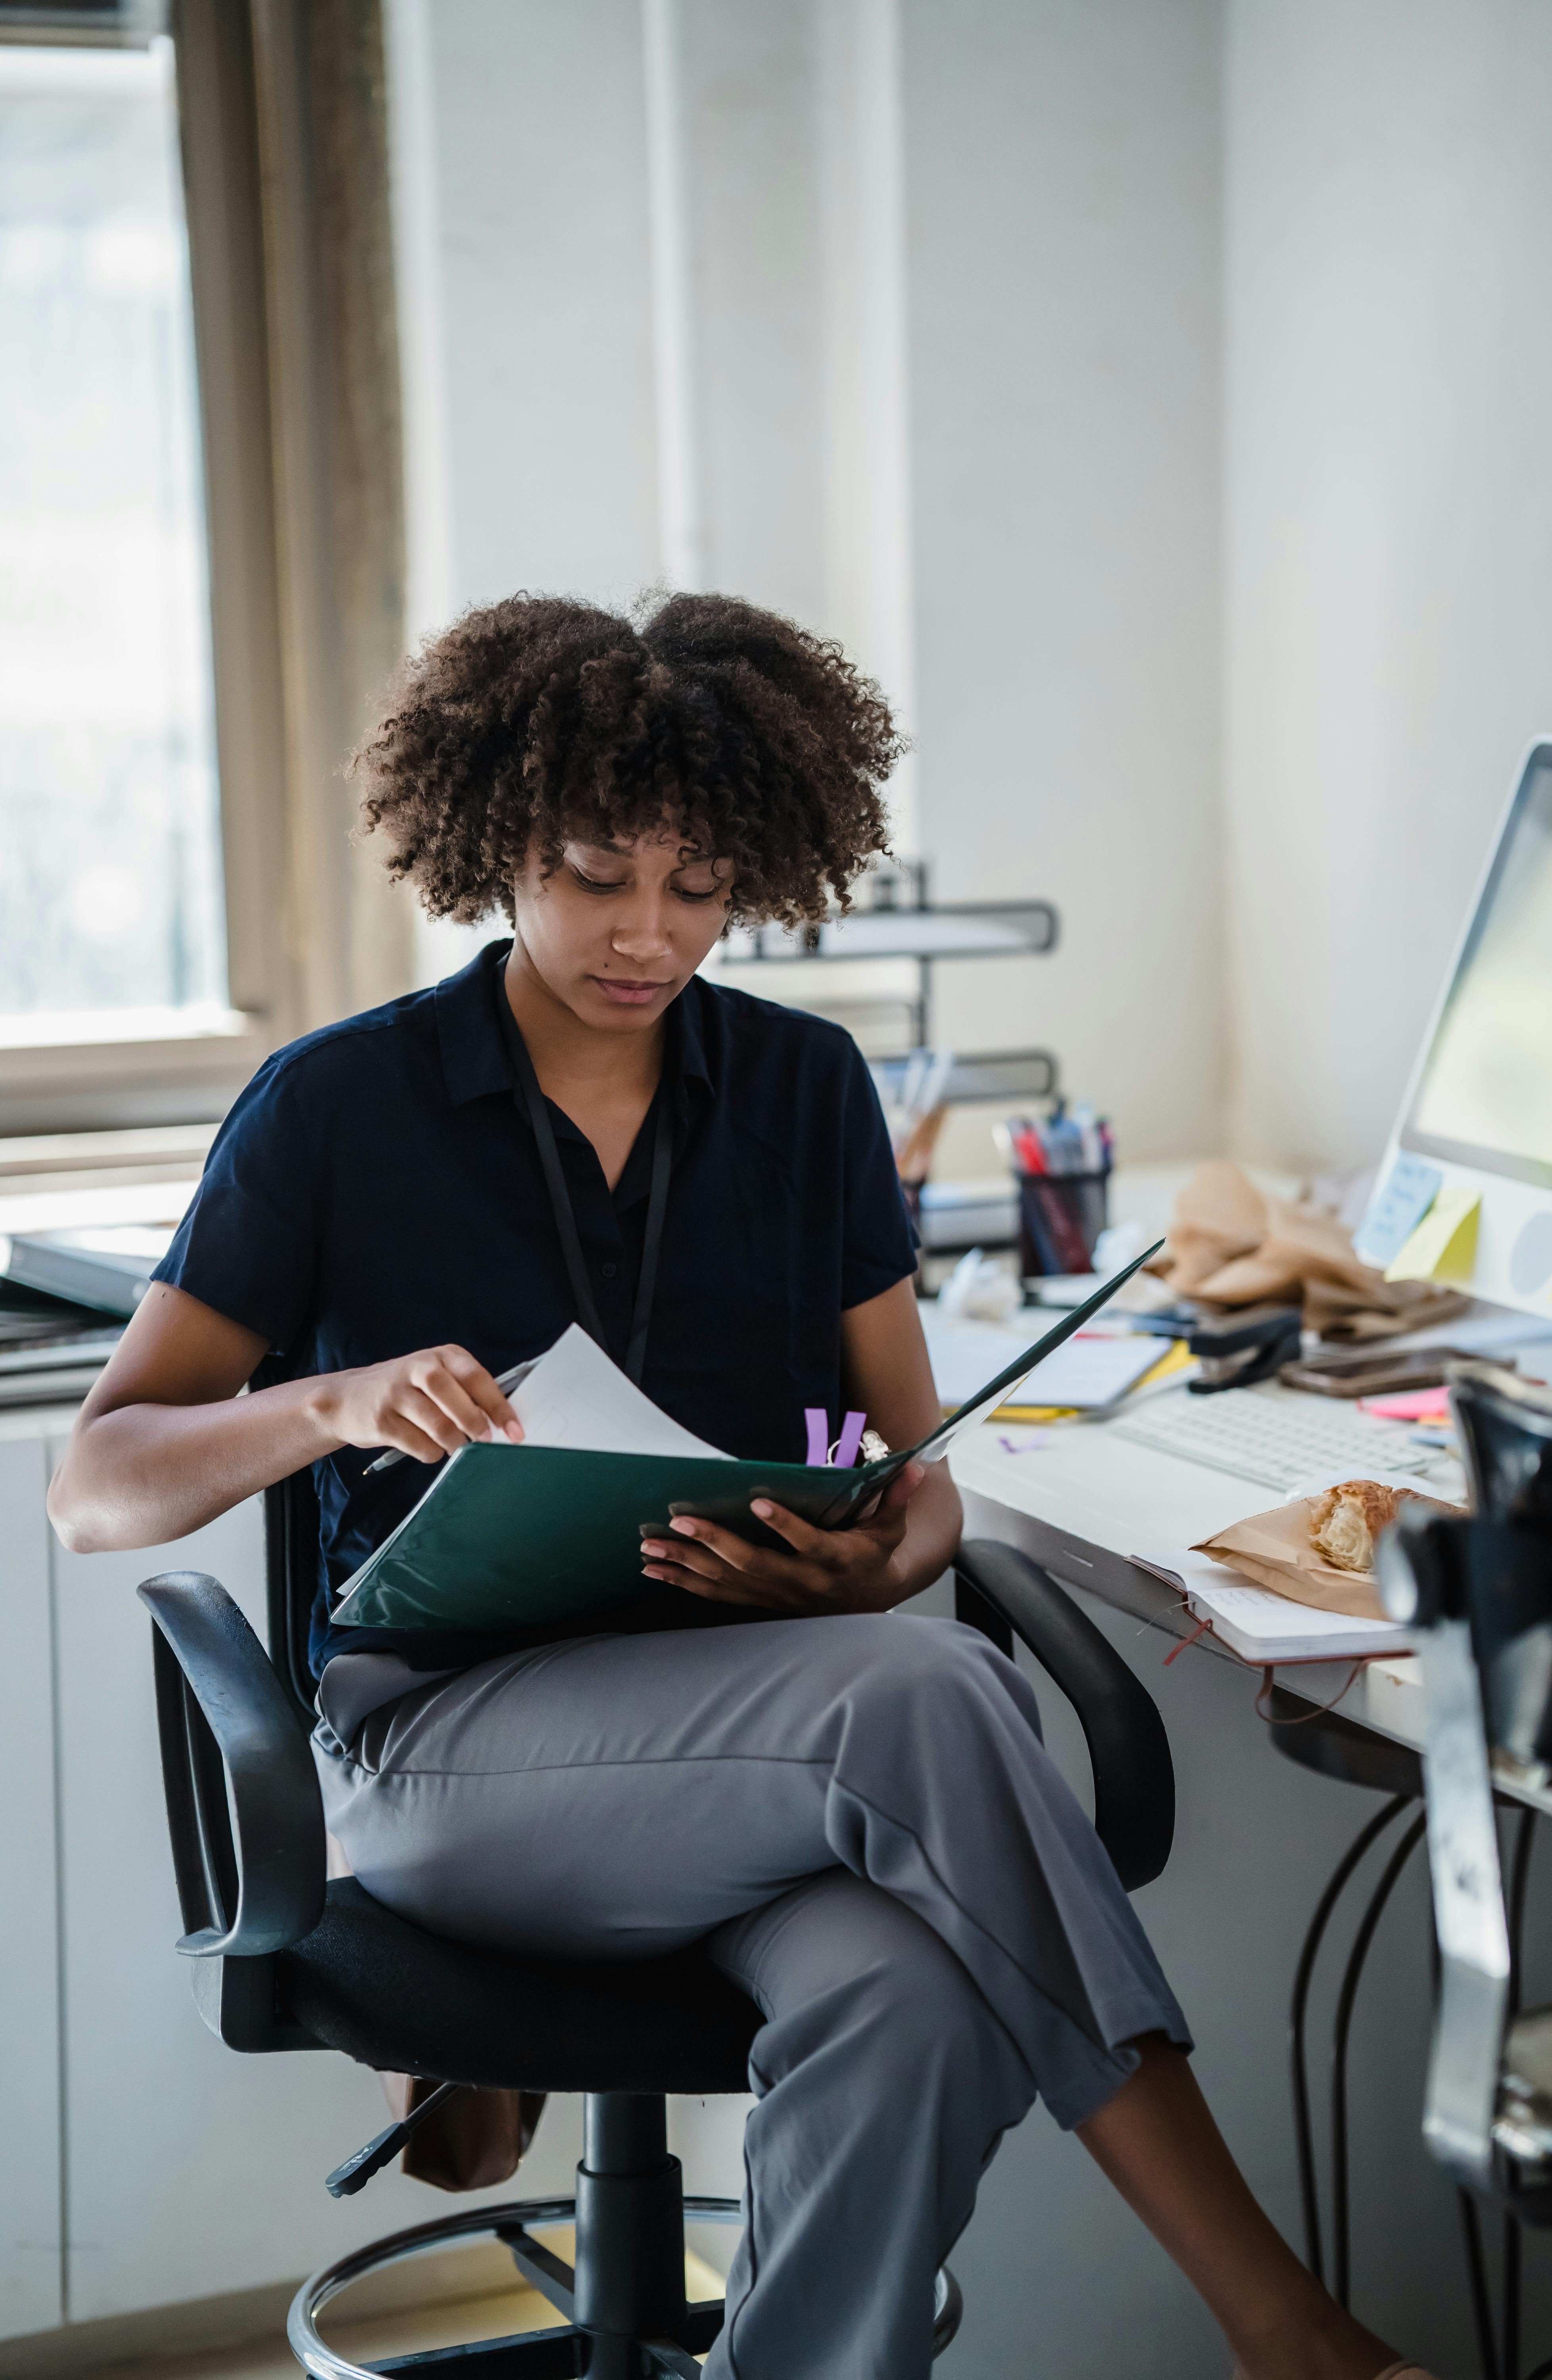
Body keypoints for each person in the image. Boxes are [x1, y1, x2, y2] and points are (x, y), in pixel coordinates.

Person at [49, 594, 1431, 2380]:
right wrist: (334, 1404)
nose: (646, 933)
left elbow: (918, 1476)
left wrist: (854, 1574)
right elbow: (94, 1486)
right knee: (930, 1689)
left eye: (697, 887)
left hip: (757, 1736)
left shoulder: (802, 1088)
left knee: (914, 1998)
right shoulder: (337, 1106)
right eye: (595, 876)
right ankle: (1283, 2321)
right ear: (492, 846)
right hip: (440, 1752)